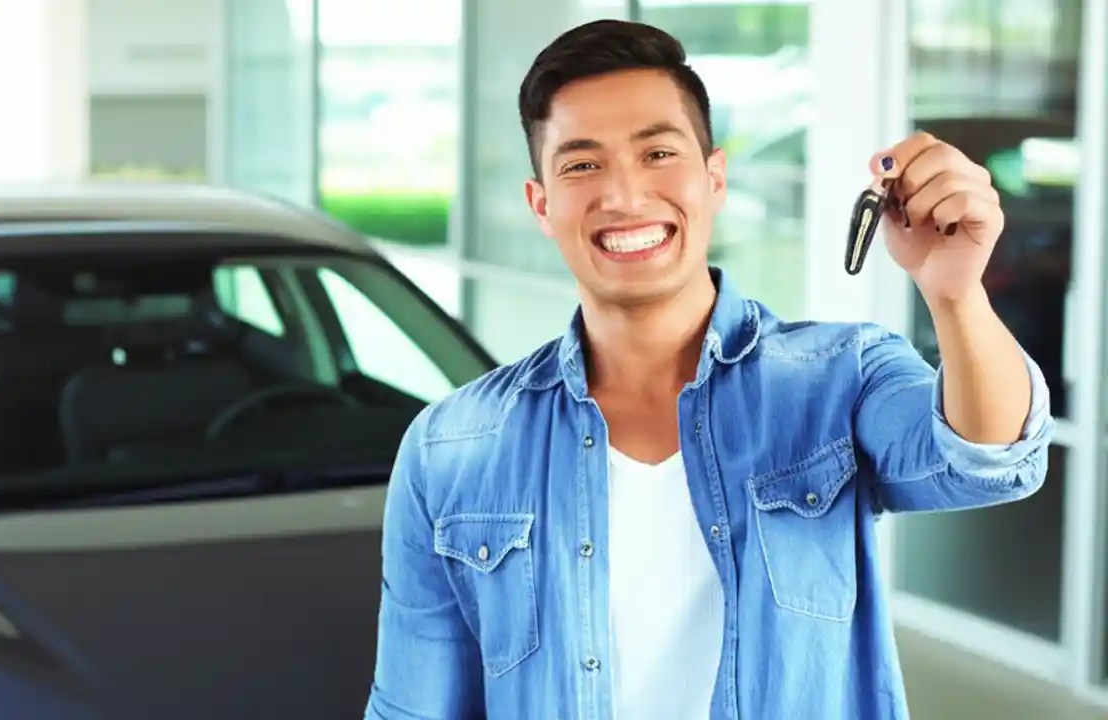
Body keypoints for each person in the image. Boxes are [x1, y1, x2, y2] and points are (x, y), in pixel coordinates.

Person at [364, 18, 1053, 720]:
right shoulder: (450, 447)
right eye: (581, 164)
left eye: (658, 152)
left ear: (713, 177)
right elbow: (412, 708)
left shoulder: (838, 378)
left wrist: (956, 296)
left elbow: (988, 457)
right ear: (542, 203)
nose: (625, 195)